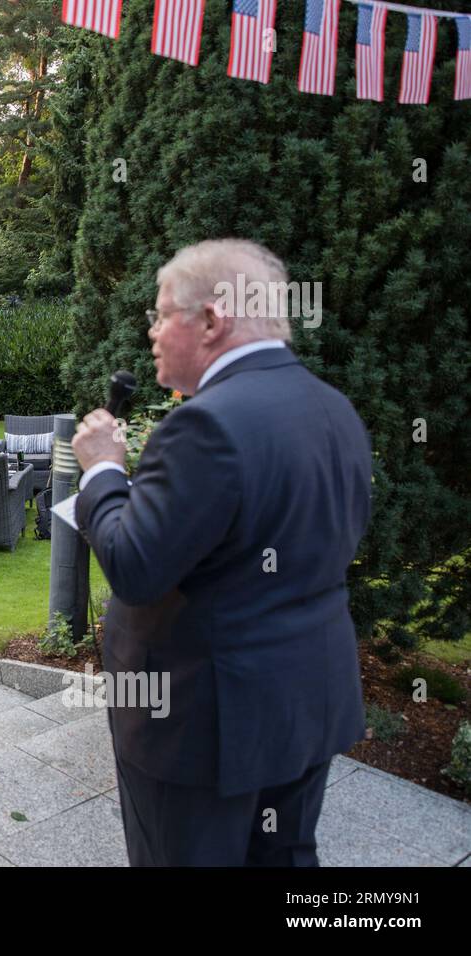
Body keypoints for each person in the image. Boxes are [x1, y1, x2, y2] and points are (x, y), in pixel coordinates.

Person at [70, 239, 372, 867]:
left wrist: (102, 472)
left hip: (203, 725)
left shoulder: (205, 425)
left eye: (160, 315)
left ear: (211, 319)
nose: (151, 332)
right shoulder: (335, 408)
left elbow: (134, 567)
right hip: (305, 703)